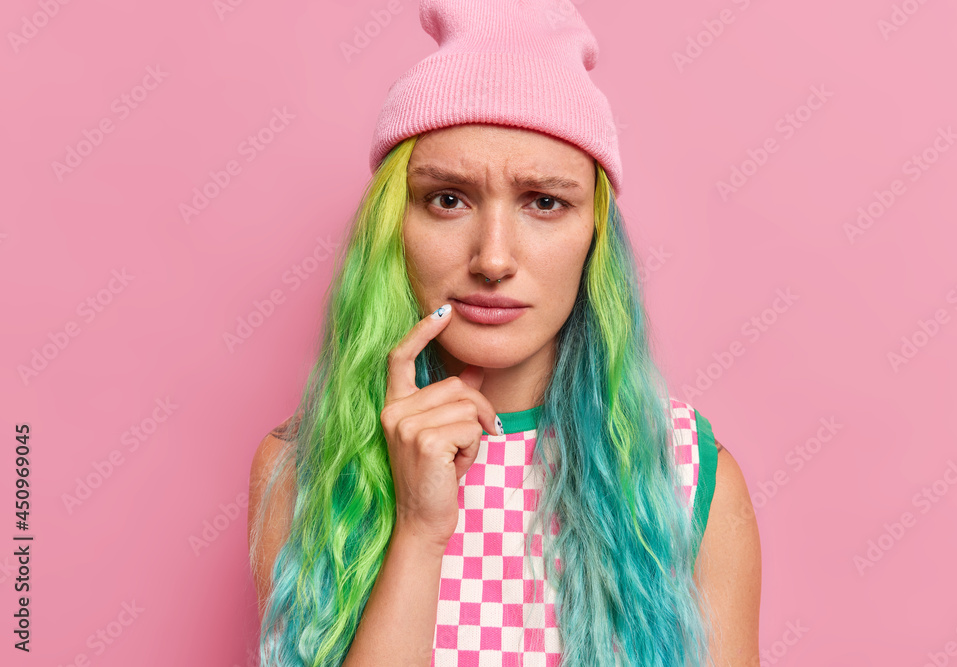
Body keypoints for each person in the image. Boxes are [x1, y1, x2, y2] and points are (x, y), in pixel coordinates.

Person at [248, 2, 761, 666]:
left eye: (545, 202)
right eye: (448, 199)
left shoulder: (686, 474)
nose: (493, 258)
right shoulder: (304, 469)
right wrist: (419, 531)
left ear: (594, 237)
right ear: (392, 230)